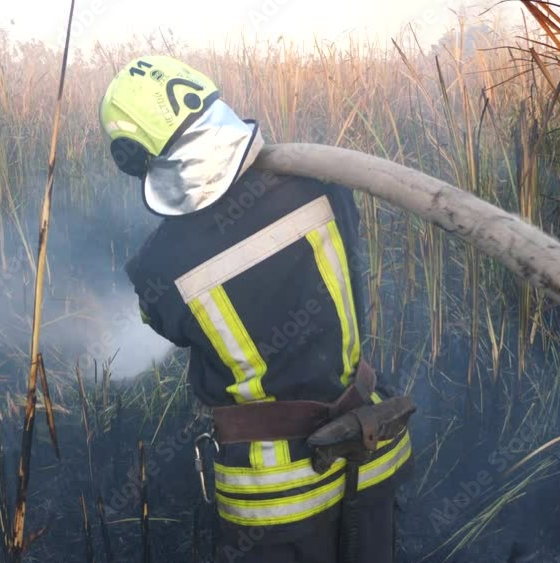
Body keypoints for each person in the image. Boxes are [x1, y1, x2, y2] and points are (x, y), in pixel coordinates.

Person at [99, 55, 414, 563]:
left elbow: (167, 322)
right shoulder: (323, 182)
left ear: (136, 156)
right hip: (373, 448)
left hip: (279, 496)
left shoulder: (157, 268)